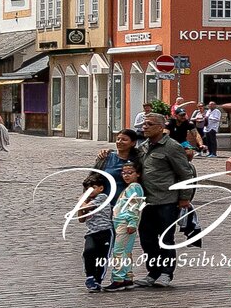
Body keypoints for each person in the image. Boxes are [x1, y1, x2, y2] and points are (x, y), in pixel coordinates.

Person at [134, 110, 195, 287]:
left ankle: (166, 274)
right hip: (146, 202)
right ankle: (153, 272)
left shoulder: (172, 147)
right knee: (147, 240)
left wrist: (184, 198)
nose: (144, 127)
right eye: (144, 124)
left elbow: (186, 173)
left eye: (149, 124)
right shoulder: (143, 146)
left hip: (166, 201)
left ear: (161, 128)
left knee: (166, 240)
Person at [105, 161, 147, 289]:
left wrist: (132, 222)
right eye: (124, 173)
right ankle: (127, 276)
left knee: (119, 251)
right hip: (122, 222)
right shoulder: (131, 187)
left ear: (138, 174)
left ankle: (118, 279)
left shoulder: (134, 187)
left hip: (125, 222)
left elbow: (134, 206)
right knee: (126, 251)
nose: (126, 176)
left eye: (130, 173)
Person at [77, 170, 114, 292]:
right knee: (88, 252)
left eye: (93, 187)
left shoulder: (102, 197)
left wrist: (81, 201)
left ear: (101, 188)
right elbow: (81, 219)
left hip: (105, 231)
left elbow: (87, 207)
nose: (90, 190)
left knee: (102, 257)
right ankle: (90, 276)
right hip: (91, 232)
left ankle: (98, 280)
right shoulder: (87, 201)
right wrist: (81, 206)